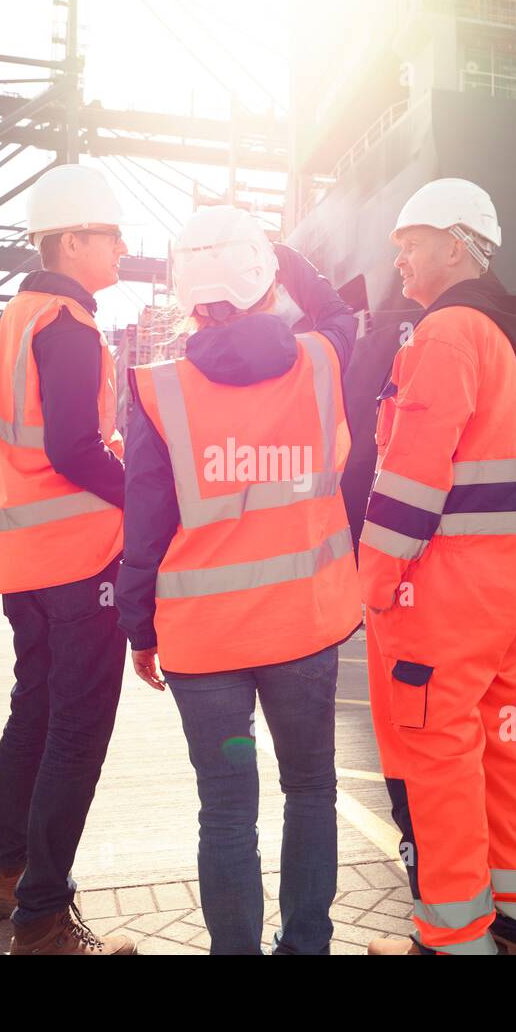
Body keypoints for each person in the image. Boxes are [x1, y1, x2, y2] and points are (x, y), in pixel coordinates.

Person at [115, 205, 360, 955]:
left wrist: (140, 631)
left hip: (205, 644)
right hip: (304, 628)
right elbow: (343, 309)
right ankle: (307, 946)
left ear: (187, 294)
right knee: (310, 792)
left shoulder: (159, 390)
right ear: (265, 279)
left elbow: (146, 525)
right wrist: (279, 253)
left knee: (226, 813)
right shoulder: (321, 358)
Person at [359, 178, 516, 956]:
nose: (399, 258)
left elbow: (413, 476)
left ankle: (453, 938)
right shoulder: (514, 339)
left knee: (437, 751)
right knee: (504, 737)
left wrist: (368, 585)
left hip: (449, 585)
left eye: (411, 243)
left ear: (456, 245)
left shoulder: (443, 334)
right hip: (515, 579)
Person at [0, 162, 135, 956]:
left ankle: (11, 876)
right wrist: (142, 493)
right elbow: (73, 446)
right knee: (77, 729)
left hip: (21, 561)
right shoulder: (69, 324)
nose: (122, 248)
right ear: (73, 239)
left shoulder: (11, 323)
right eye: (111, 235)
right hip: (78, 560)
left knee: (31, 714)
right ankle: (43, 918)